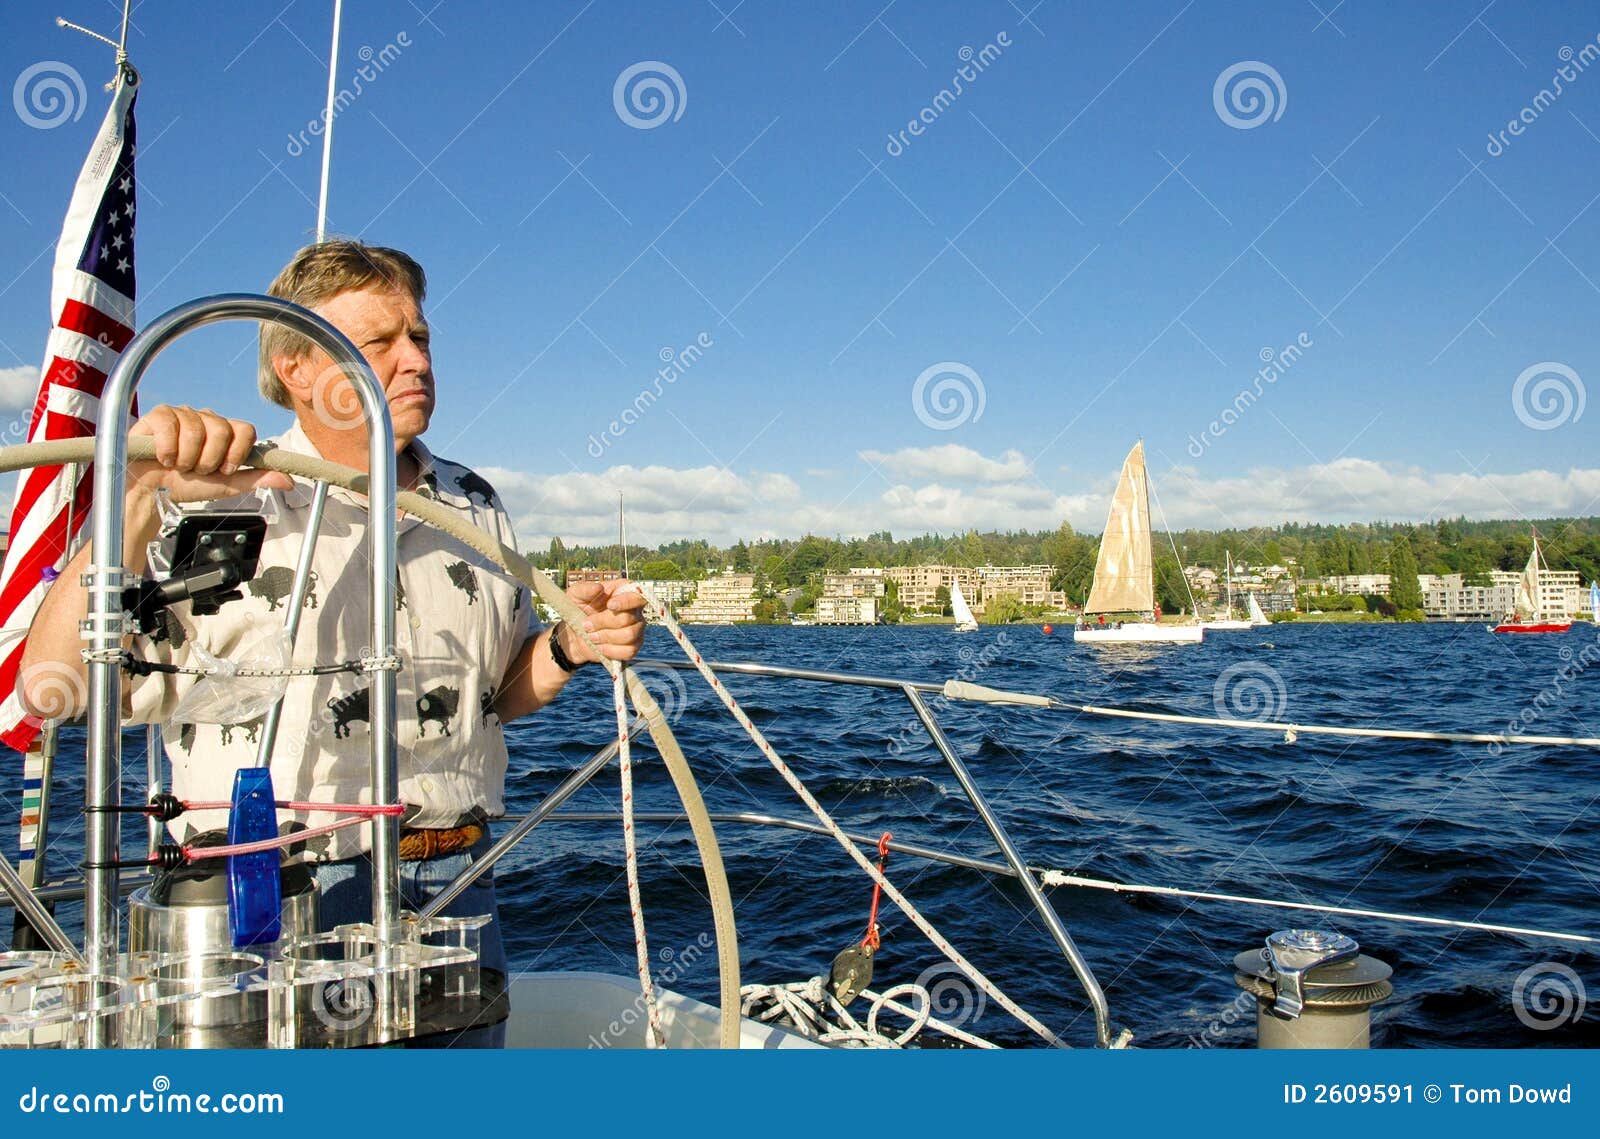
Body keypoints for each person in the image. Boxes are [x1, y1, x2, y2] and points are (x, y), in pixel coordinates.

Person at [20, 240, 645, 1046]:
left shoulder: (475, 503)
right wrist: (139, 495)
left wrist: (567, 645)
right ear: (296, 370)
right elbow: (51, 687)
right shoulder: (217, 499)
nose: (414, 358)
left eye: (419, 336)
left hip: (457, 877)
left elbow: (489, 696)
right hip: (269, 892)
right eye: (377, 343)